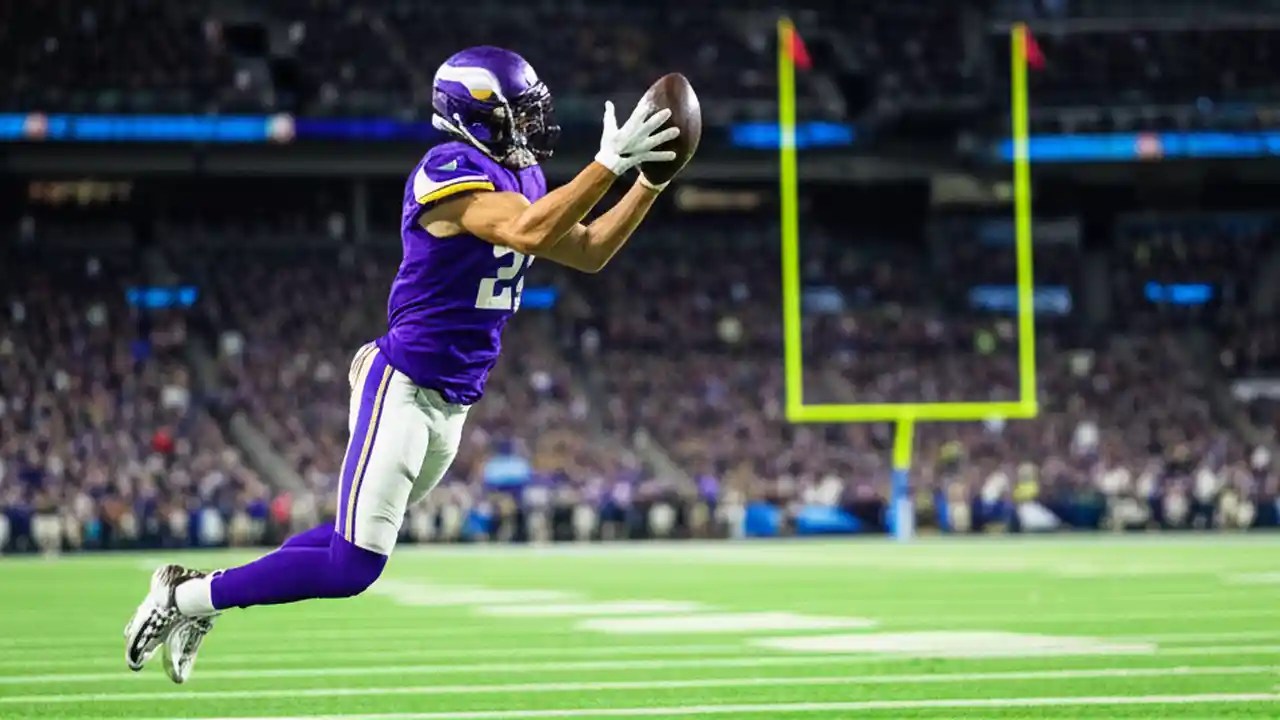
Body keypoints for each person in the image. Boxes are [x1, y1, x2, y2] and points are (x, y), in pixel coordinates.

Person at [123, 45, 683, 684]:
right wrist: (608, 164)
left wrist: (647, 183)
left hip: (451, 404)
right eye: (517, 116)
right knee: (353, 566)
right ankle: (186, 597)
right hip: (403, 385)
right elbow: (529, 232)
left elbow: (585, 252)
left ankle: (203, 593)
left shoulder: (522, 178)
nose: (529, 129)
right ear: (475, 117)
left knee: (347, 541)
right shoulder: (445, 168)